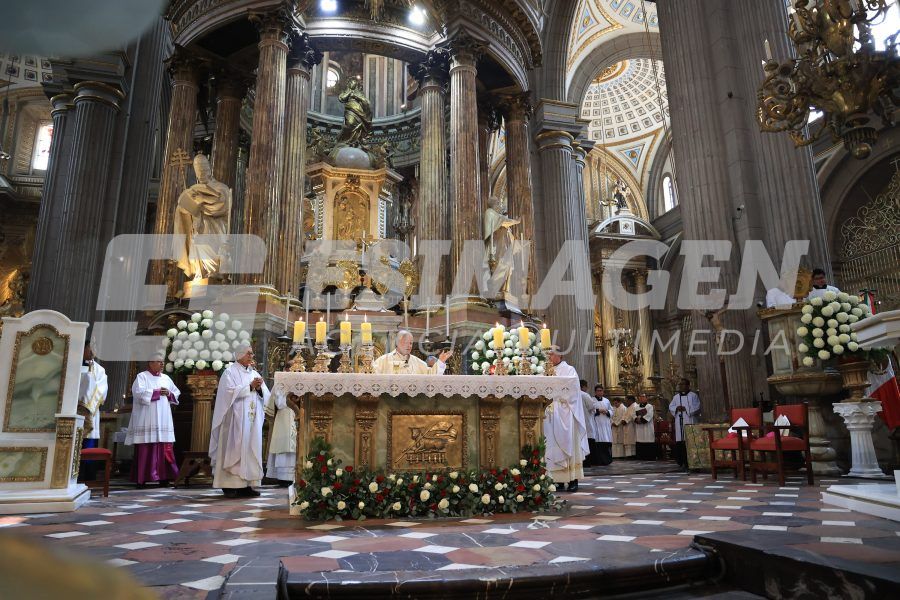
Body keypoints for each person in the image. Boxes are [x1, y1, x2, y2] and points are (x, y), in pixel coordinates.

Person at [210, 343, 270, 498]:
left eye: (252, 353)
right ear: (239, 354)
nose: (251, 356)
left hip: (251, 420)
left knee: (250, 448)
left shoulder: (254, 373)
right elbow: (227, 393)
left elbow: (266, 395)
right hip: (234, 420)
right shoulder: (229, 372)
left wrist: (259, 388)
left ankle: (247, 484)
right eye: (248, 353)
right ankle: (229, 485)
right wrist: (249, 387)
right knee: (233, 449)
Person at [174, 154, 231, 280]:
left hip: (215, 230)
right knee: (198, 247)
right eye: (198, 170)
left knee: (211, 255)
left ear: (209, 169)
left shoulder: (221, 188)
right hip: (199, 229)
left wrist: (202, 200)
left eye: (203, 169)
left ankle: (214, 274)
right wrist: (186, 205)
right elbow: (183, 210)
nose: (201, 173)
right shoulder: (193, 190)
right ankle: (201, 275)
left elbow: (221, 206)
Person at [126, 356, 180, 487]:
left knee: (164, 448)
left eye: (163, 361)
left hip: (163, 419)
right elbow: (138, 393)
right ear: (150, 363)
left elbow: (176, 392)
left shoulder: (166, 378)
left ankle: (164, 477)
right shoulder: (142, 377)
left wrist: (169, 393)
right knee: (146, 448)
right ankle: (142, 479)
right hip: (147, 419)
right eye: (159, 361)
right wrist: (156, 392)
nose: (162, 364)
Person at [542, 346, 589, 492]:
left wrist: (557, 396)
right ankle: (558, 480)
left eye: (552, 354)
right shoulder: (544, 370)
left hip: (566, 412)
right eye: (548, 354)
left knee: (570, 445)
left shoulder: (569, 370)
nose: (549, 357)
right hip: (551, 413)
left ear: (560, 356)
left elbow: (574, 391)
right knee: (552, 446)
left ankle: (573, 479)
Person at [79, 341, 108, 481]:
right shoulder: (73, 364)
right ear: (84, 348)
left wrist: (87, 404)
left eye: (95, 348)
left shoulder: (100, 370)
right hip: (73, 410)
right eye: (90, 348)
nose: (92, 351)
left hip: (90, 411)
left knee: (88, 442)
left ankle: (87, 476)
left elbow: (103, 390)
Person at [373, 330, 452, 375]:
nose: (409, 346)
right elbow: (373, 375)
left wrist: (441, 361)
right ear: (397, 342)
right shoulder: (383, 361)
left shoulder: (417, 362)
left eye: (411, 343)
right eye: (406, 342)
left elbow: (431, 375)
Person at [669, 378, 701, 470]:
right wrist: (676, 408)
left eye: (682, 384)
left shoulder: (693, 396)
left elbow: (697, 406)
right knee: (681, 441)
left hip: (690, 420)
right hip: (679, 421)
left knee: (690, 441)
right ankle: (682, 462)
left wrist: (686, 409)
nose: (680, 386)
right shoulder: (676, 397)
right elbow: (671, 406)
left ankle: (693, 462)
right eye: (680, 384)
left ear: (688, 385)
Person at [579, 380, 600, 467]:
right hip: (586, 421)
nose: (587, 388)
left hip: (577, 423)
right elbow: (592, 406)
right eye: (586, 386)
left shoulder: (572, 394)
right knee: (588, 441)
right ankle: (588, 462)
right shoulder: (584, 395)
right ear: (583, 386)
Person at [592, 385, 613, 465]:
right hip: (596, 423)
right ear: (595, 392)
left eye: (601, 390)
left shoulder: (606, 401)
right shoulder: (592, 400)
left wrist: (607, 412)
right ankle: (598, 461)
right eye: (598, 391)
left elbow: (611, 410)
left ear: (603, 391)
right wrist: (598, 411)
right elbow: (590, 410)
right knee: (598, 442)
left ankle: (607, 460)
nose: (600, 392)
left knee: (606, 442)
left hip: (605, 424)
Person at [633, 394, 657, 460]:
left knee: (648, 439)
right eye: (640, 397)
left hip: (647, 427)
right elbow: (633, 415)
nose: (641, 398)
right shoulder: (636, 407)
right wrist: (636, 419)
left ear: (646, 398)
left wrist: (640, 419)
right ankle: (640, 457)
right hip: (639, 427)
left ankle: (650, 457)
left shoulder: (650, 406)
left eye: (643, 397)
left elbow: (649, 415)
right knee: (640, 439)